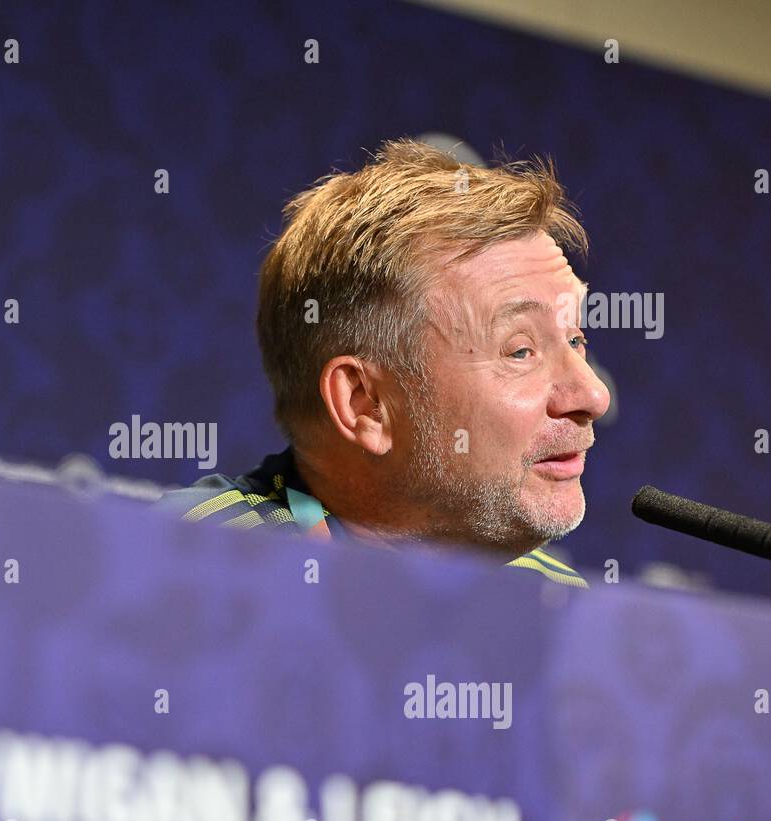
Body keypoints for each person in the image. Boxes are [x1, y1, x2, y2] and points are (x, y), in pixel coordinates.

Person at [157, 140, 610, 588]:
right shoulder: (177, 566)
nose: (593, 395)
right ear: (365, 403)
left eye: (575, 339)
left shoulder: (562, 605)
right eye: (519, 350)